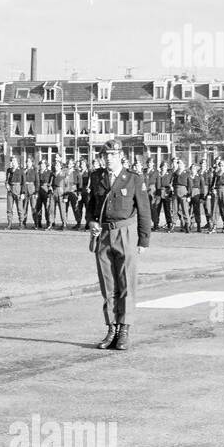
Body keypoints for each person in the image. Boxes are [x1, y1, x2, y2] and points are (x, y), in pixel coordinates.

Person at [86, 139, 151, 351]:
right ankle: (111, 328)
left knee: (126, 284)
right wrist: (92, 221)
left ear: (120, 156)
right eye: (105, 155)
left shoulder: (132, 178)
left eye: (111, 155)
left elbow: (144, 210)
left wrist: (143, 240)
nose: (108, 158)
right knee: (108, 284)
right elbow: (91, 206)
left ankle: (124, 329)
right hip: (104, 233)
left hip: (126, 233)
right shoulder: (96, 177)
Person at [4, 156, 23, 229]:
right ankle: (9, 224)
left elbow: (23, 183)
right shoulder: (9, 170)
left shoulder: (21, 170)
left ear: (17, 162)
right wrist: (6, 185)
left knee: (20, 208)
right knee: (9, 208)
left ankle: (21, 224)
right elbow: (6, 180)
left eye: (14, 161)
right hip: (10, 190)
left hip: (18, 189)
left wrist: (23, 193)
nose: (12, 162)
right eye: (11, 161)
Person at [20, 156, 38, 227]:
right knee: (24, 207)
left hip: (32, 190)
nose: (28, 163)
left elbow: (37, 182)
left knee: (34, 207)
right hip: (25, 190)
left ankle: (36, 224)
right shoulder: (23, 171)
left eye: (29, 162)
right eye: (27, 162)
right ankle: (23, 223)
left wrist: (36, 192)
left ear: (32, 163)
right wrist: (22, 192)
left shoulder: (34, 171)